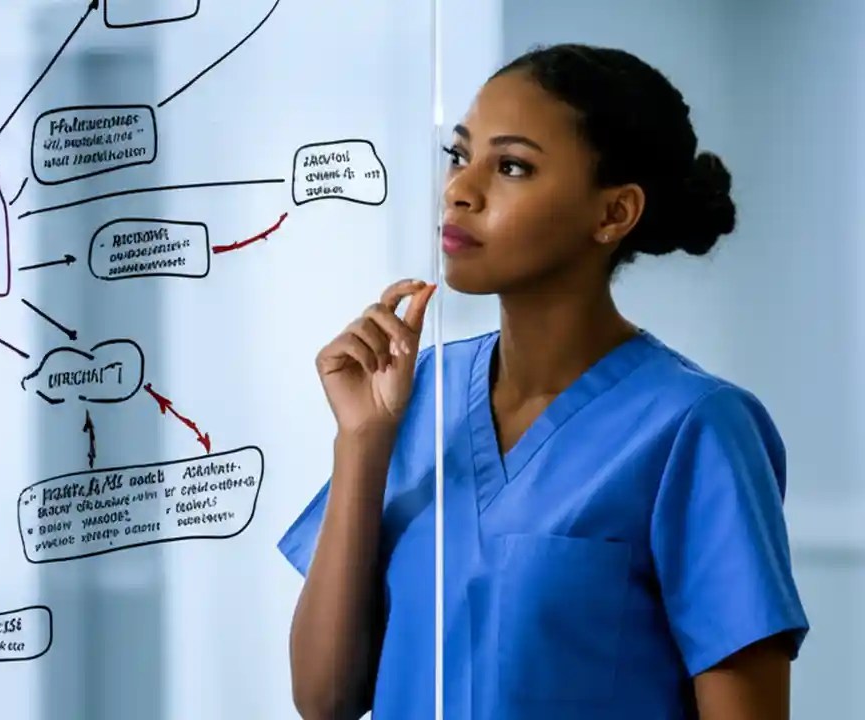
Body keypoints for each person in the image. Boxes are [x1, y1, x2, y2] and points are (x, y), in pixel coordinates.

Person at [279, 43, 811, 720]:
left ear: (613, 214)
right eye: (459, 156)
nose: (459, 190)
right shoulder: (416, 396)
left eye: (511, 166)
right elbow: (324, 700)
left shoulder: (697, 428)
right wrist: (361, 443)